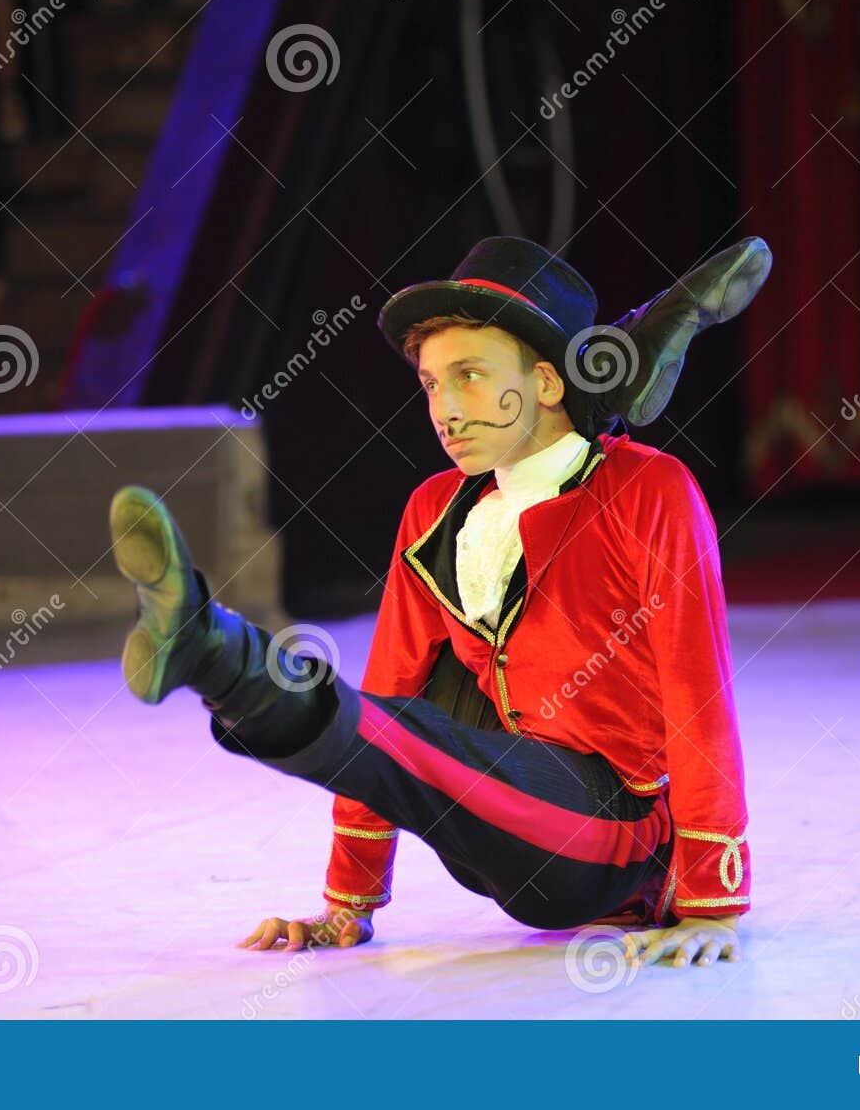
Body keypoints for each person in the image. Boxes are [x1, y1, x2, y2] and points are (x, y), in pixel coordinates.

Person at [110, 235, 770, 968]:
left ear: (548, 383)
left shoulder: (648, 489)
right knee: (402, 709)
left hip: (610, 836)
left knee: (414, 728)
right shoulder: (434, 509)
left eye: (470, 376)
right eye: (430, 384)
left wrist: (712, 906)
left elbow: (698, 694)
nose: (445, 410)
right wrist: (346, 907)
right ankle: (216, 655)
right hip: (488, 807)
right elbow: (390, 689)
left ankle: (219, 652)